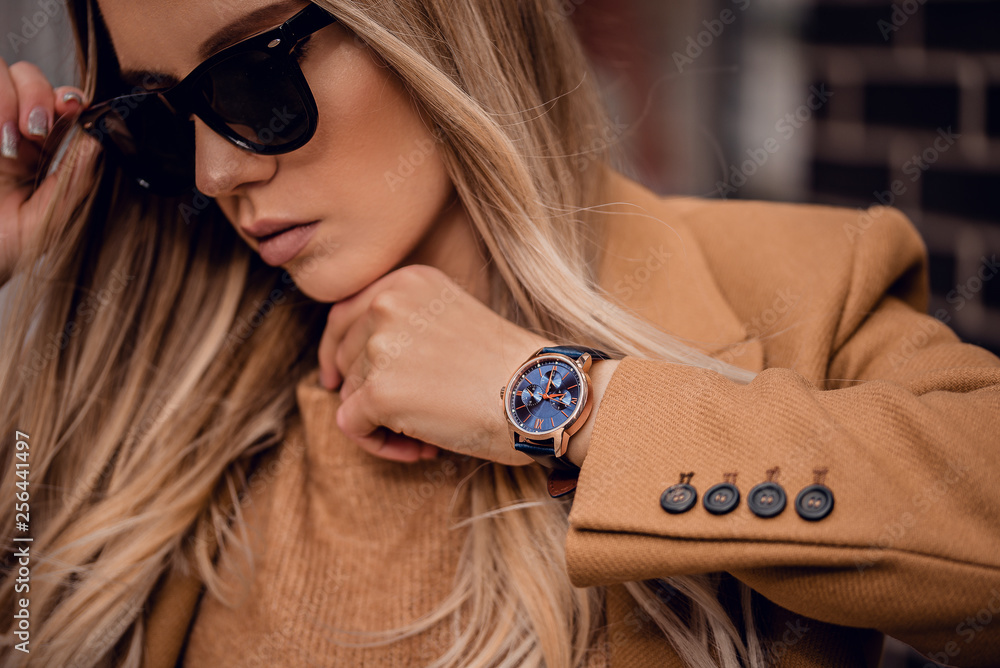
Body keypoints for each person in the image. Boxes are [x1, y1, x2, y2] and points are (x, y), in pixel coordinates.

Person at [1, 0, 998, 667]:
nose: (217, 172)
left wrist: (555, 397)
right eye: (162, 116)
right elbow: (26, 621)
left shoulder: (788, 285)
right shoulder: (164, 377)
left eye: (252, 87)